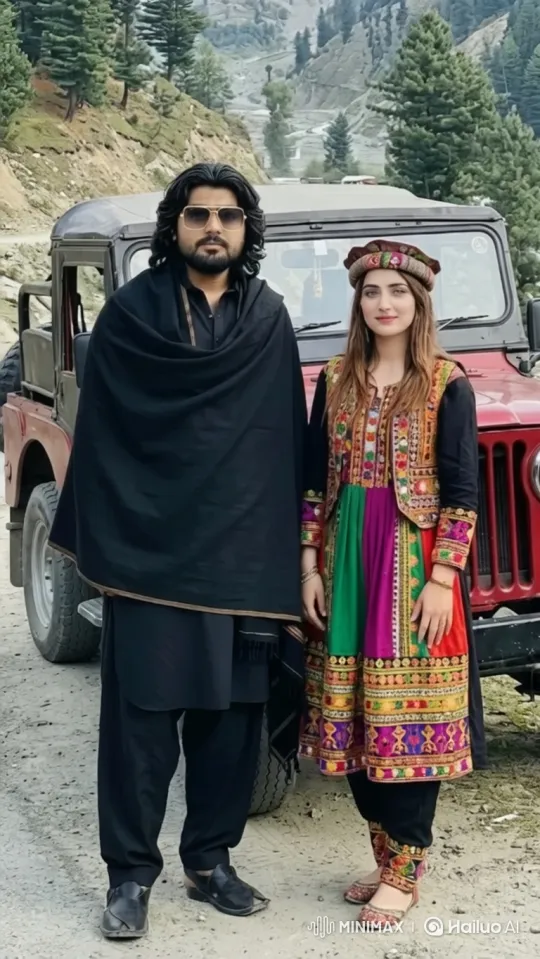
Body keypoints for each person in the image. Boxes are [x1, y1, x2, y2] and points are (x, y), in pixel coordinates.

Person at [49, 163, 307, 939]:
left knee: (232, 724)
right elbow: (110, 439)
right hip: (153, 556)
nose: (213, 227)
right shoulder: (132, 314)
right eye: (198, 214)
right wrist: (125, 539)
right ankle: (129, 876)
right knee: (141, 726)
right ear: (176, 225)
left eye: (228, 215)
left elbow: (283, 444)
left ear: (246, 229)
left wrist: (294, 553)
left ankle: (211, 860)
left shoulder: (269, 318)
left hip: (242, 559)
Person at [299, 239, 486, 930]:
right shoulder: (337, 376)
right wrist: (309, 565)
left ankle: (405, 871)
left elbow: (463, 489)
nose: (384, 303)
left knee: (409, 716)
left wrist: (443, 578)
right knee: (348, 713)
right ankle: (385, 860)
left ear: (419, 302)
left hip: (412, 562)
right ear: (358, 301)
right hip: (345, 557)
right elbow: (315, 481)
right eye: (372, 291)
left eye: (397, 292)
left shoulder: (445, 382)